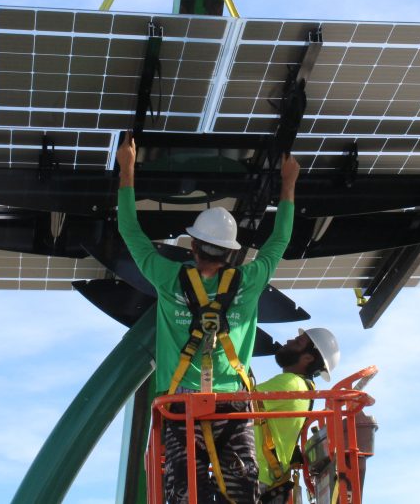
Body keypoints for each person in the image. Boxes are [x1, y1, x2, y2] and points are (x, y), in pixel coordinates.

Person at [116, 131, 300, 504]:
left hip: (180, 403)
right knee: (242, 489)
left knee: (187, 491)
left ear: (194, 245)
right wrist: (288, 184)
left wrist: (127, 170)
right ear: (230, 254)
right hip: (232, 400)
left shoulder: (168, 278)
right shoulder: (249, 281)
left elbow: (129, 230)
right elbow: (278, 241)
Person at [253, 328, 341, 500]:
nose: (288, 341)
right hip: (265, 476)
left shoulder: (291, 383)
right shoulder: (304, 389)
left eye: (298, 342)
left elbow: (234, 402)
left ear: (307, 358)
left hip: (253, 475)